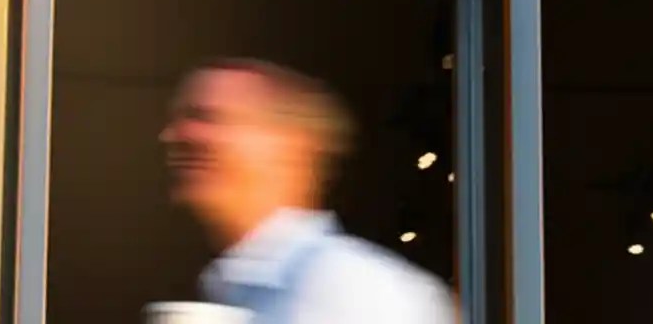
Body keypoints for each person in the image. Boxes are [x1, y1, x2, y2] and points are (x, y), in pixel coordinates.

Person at [160, 57, 455, 323]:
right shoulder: (232, 289)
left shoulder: (362, 293)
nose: (175, 135)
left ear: (290, 147)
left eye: (208, 117)